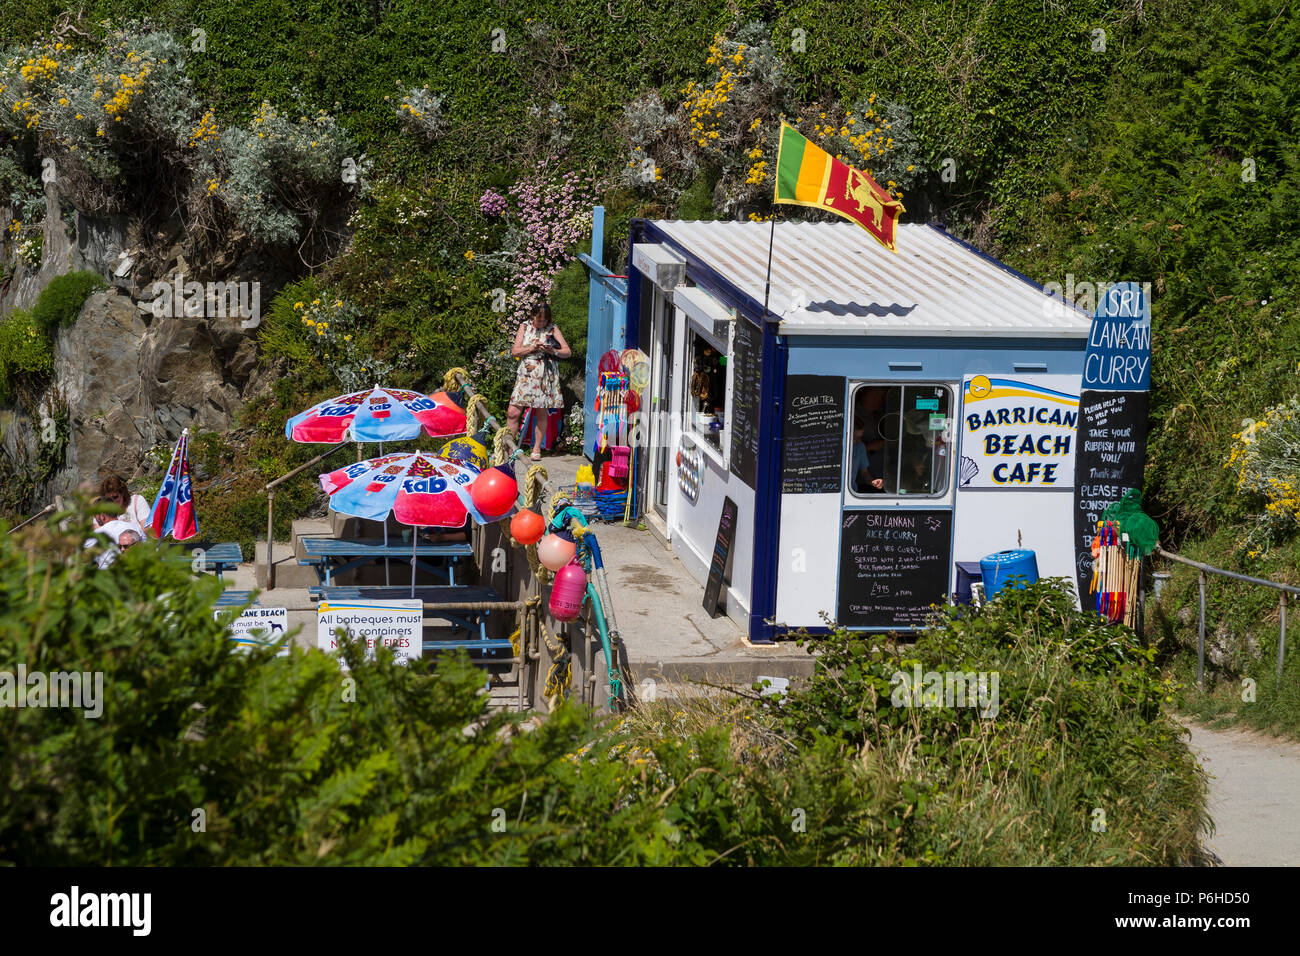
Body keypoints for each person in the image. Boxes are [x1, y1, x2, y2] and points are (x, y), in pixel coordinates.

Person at [507, 303, 570, 462]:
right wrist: (531, 347)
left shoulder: (553, 328)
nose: (541, 323)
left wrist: (552, 350)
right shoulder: (524, 327)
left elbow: (567, 352)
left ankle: (536, 449)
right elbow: (515, 351)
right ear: (532, 316)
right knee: (513, 411)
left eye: (544, 320)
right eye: (538, 319)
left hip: (544, 373)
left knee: (541, 412)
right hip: (526, 374)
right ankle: (508, 448)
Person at [98, 473, 150, 538]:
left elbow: (146, 529)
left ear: (123, 493)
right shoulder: (106, 514)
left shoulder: (137, 501)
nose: (112, 502)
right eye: (108, 499)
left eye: (115, 497)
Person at [851, 417, 884, 492]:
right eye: (855, 438)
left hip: (853, 490)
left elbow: (864, 473)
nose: (859, 441)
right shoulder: (836, 447)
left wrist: (873, 482)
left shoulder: (860, 446)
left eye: (860, 437)